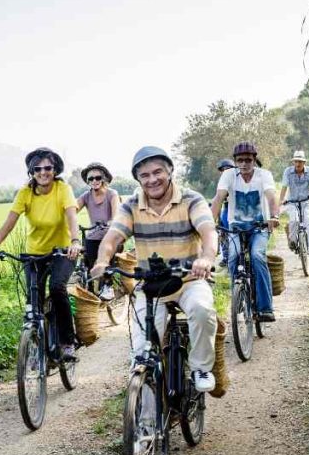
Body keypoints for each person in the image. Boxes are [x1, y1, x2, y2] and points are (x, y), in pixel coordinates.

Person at [91, 146, 219, 392]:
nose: (152, 180)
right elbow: (111, 239)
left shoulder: (192, 199)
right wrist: (101, 262)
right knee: (143, 356)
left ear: (170, 170)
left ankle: (201, 366)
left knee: (202, 310)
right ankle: (147, 423)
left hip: (189, 280)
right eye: (144, 176)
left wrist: (206, 258)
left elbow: (208, 232)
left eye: (157, 172)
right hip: (150, 287)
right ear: (138, 180)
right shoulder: (130, 206)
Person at [0, 148, 83, 359]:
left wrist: (75, 241)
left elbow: (71, 217)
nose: (43, 172)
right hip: (34, 254)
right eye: (37, 169)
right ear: (31, 171)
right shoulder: (25, 192)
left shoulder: (62, 188)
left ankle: (67, 341)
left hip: (63, 252)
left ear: (55, 169)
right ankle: (36, 346)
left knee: (57, 288)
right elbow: (9, 222)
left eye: (48, 168)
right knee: (33, 299)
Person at [210, 141, 279, 322]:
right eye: (239, 160)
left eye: (248, 160)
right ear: (235, 161)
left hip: (260, 227)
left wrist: (274, 216)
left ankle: (265, 308)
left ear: (254, 160)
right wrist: (209, 223)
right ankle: (239, 298)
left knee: (257, 256)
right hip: (236, 228)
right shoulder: (228, 175)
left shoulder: (264, 175)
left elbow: (271, 196)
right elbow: (219, 197)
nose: (244, 164)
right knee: (233, 258)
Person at [75, 161, 121, 299]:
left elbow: (117, 214)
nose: (94, 181)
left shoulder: (112, 194)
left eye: (98, 178)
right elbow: (73, 209)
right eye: (91, 178)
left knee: (107, 258)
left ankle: (108, 286)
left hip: (110, 234)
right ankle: (88, 291)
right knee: (88, 262)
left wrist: (112, 222)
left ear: (104, 179)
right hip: (93, 235)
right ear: (88, 181)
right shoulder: (86, 196)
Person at [278, 150, 309, 256]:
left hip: (307, 201)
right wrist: (281, 199)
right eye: (296, 161)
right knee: (294, 220)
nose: (298, 164)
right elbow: (284, 186)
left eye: (300, 161)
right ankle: (292, 241)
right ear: (293, 162)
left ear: (304, 162)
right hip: (292, 202)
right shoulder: (288, 172)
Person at [216, 158, 236, 265]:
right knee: (223, 232)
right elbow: (218, 202)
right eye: (223, 170)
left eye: (228, 169)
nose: (225, 172)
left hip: (238, 211)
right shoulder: (221, 184)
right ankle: (226, 257)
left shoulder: (238, 181)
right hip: (226, 210)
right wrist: (218, 219)